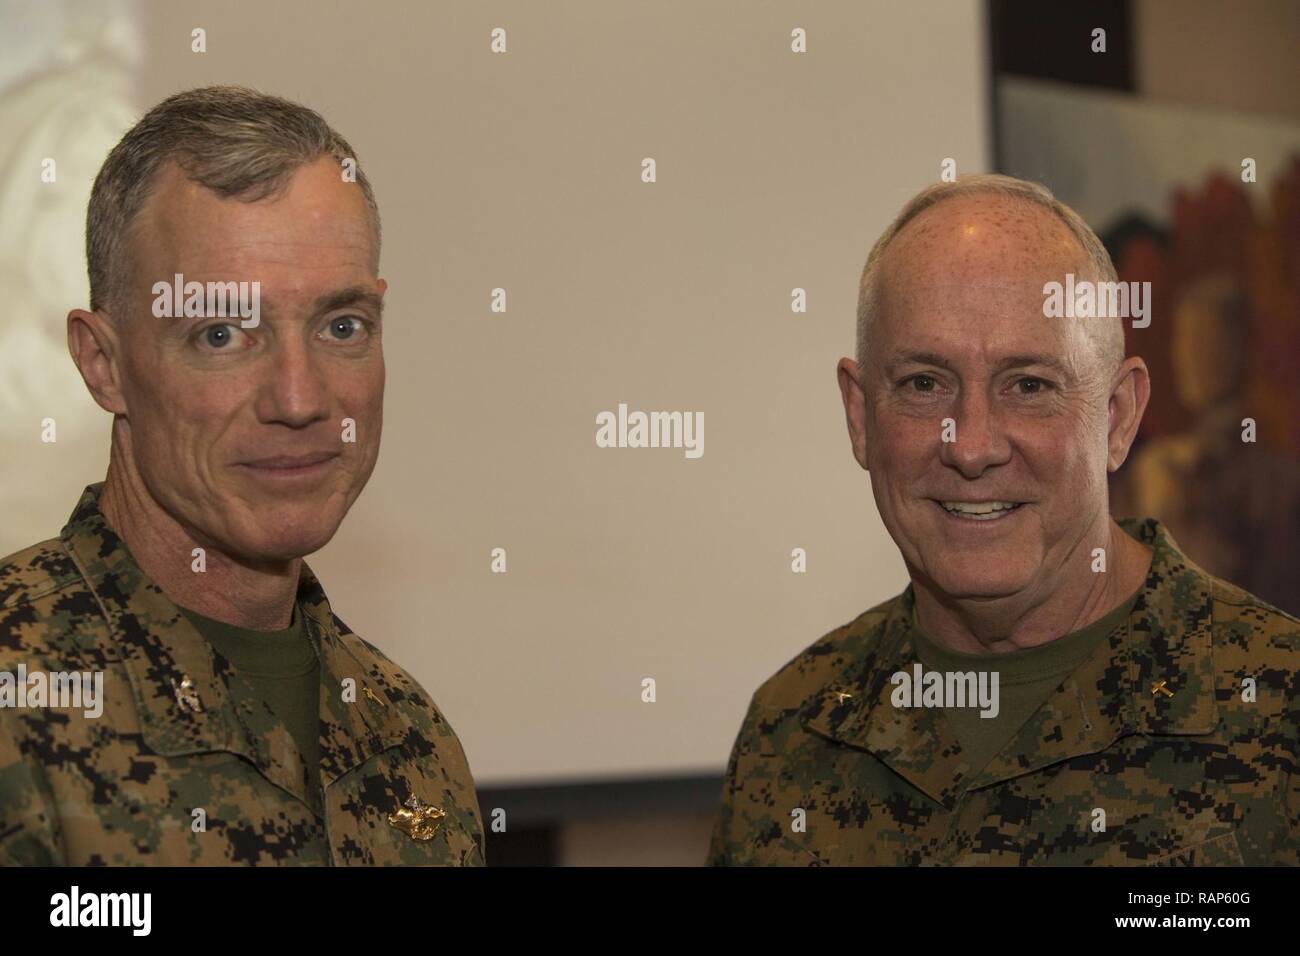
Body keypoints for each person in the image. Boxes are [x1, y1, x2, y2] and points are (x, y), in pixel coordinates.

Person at [708, 174, 1299, 865]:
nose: (973, 446)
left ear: (1117, 418)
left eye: (1029, 385)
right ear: (860, 416)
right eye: (924, 384)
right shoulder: (789, 736)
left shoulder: (1278, 713)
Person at [0, 86, 483, 865]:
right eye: (222, 333)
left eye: (342, 325)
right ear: (104, 364)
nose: (300, 398)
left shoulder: (409, 739)